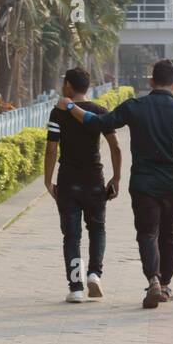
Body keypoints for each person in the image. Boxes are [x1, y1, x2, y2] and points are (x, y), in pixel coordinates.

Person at [59, 59, 173, 309]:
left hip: (143, 182)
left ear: (151, 81)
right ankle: (164, 286)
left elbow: (99, 122)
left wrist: (70, 108)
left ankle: (153, 279)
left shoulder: (135, 107)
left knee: (147, 233)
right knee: (170, 234)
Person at [45, 67, 122, 303]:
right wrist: (116, 178)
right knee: (97, 229)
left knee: (71, 236)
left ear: (68, 85)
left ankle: (76, 287)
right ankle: (94, 275)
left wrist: (48, 180)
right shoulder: (99, 112)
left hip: (68, 181)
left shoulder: (58, 113)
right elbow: (115, 147)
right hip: (94, 180)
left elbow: (51, 148)